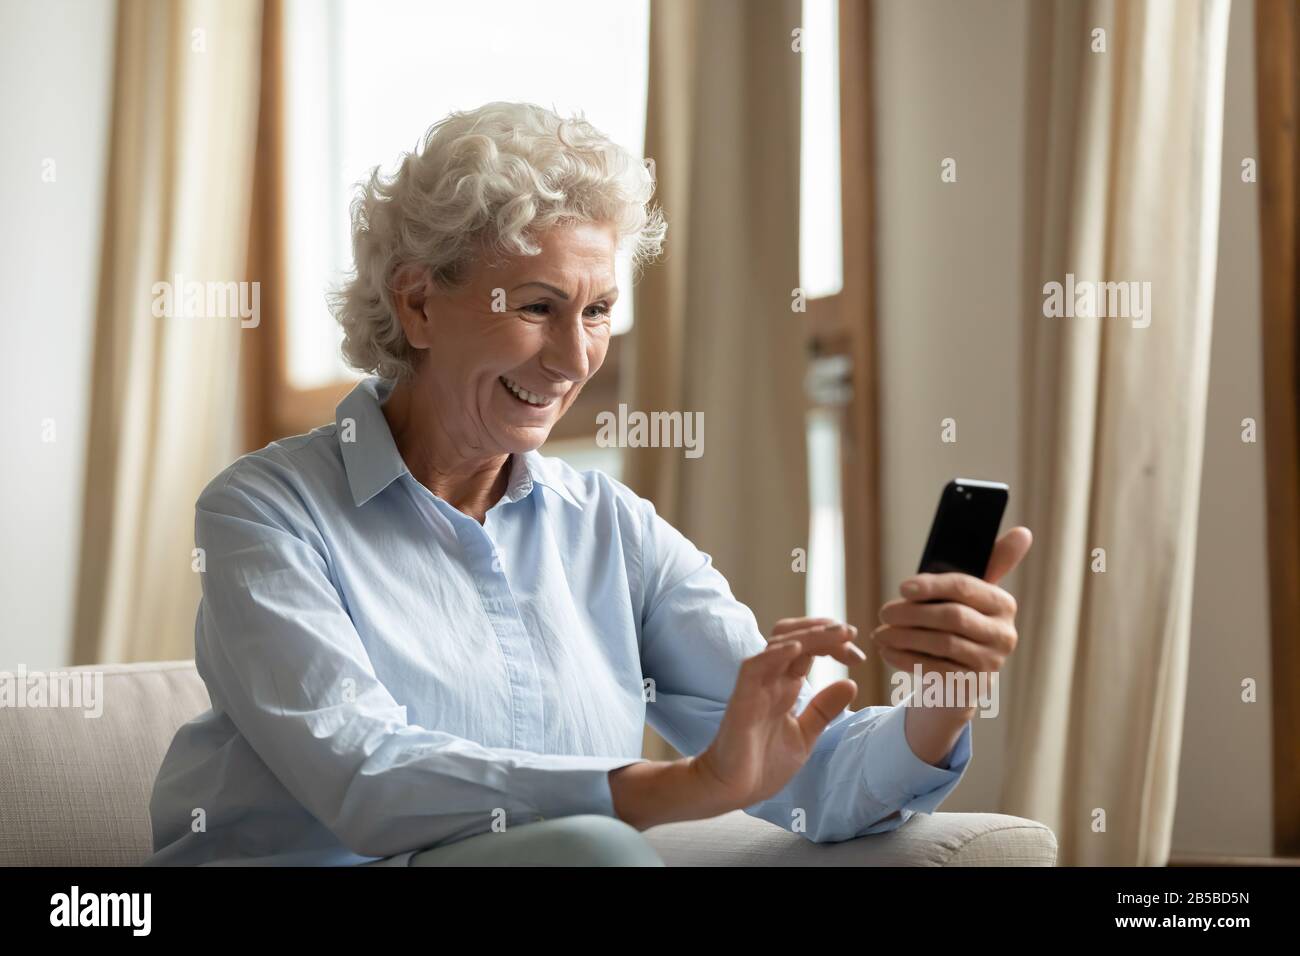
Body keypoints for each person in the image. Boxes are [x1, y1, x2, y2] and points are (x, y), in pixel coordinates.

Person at [147, 101, 1031, 866]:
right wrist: (682, 784)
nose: (575, 360)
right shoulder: (265, 511)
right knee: (596, 848)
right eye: (537, 307)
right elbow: (365, 778)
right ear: (417, 304)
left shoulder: (612, 529)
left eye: (598, 311)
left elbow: (814, 773)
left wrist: (938, 706)